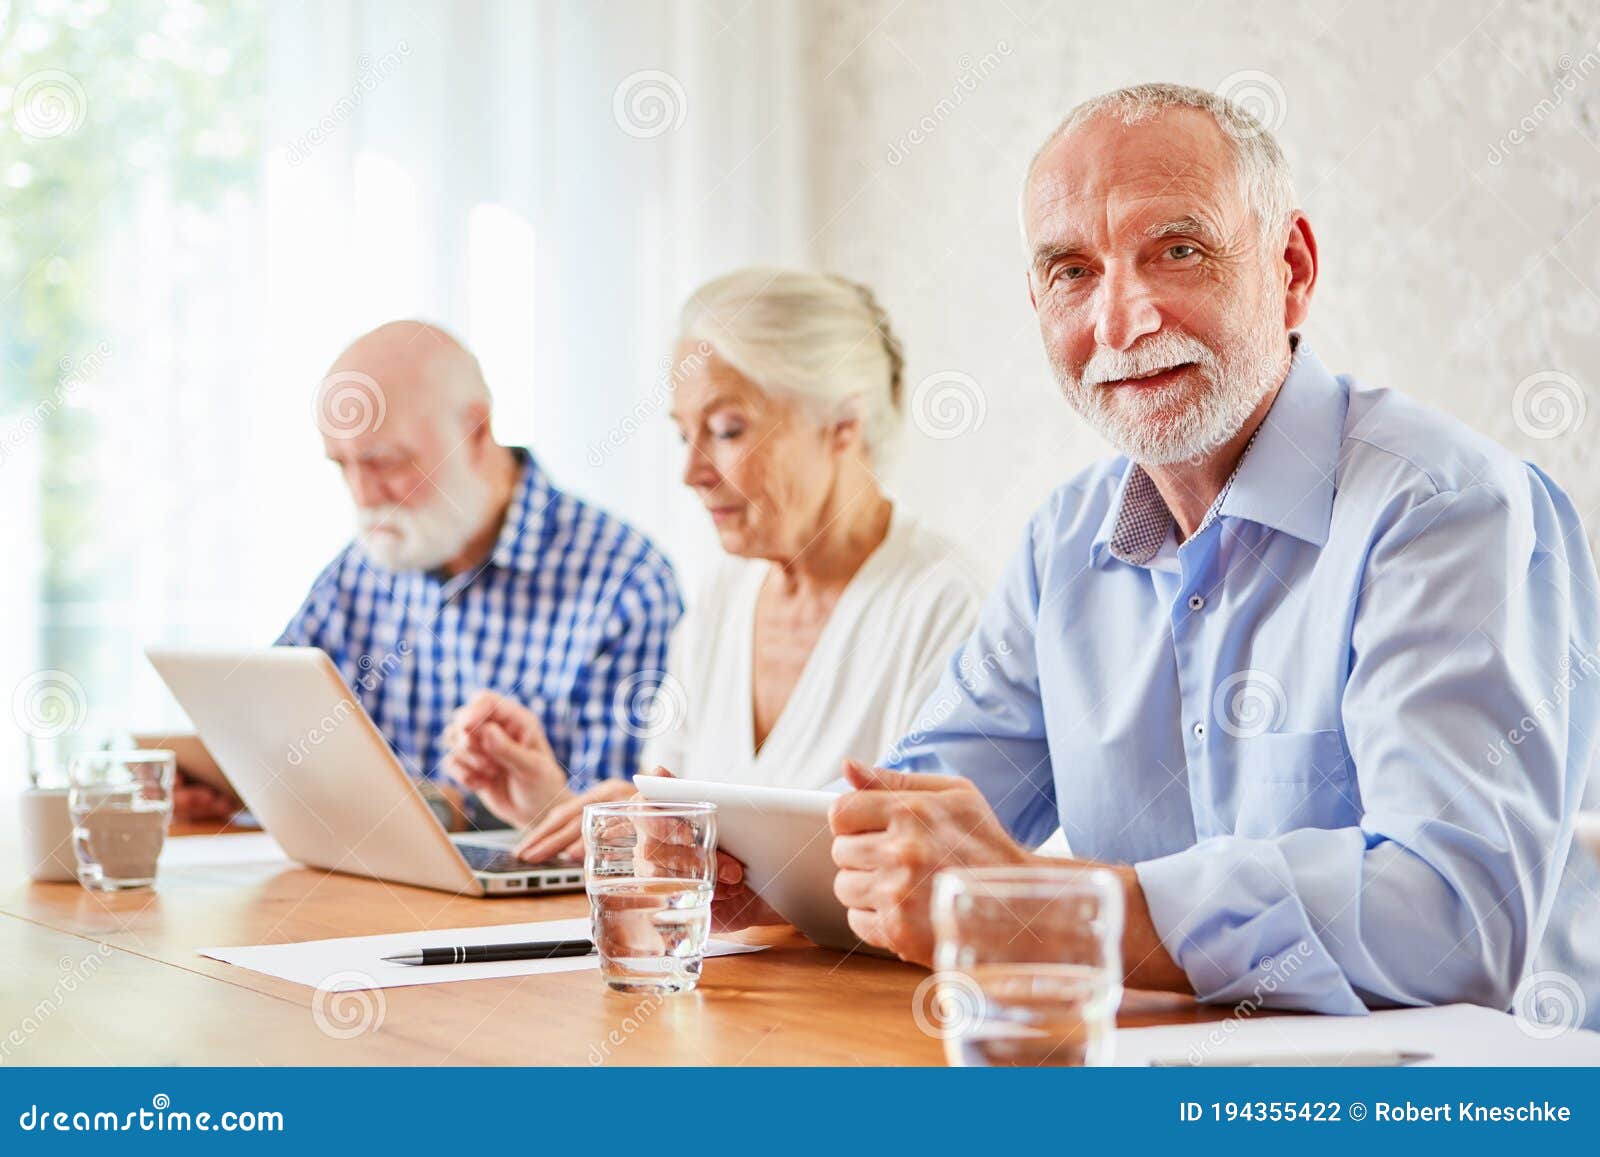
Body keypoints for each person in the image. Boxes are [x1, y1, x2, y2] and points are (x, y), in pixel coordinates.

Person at [760, 83, 1600, 1025]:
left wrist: (1048, 909)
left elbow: (1454, 923)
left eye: (1180, 251)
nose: (1123, 321)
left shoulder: (1448, 509)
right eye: (1074, 272)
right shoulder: (1063, 544)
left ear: (1291, 268)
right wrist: (734, 852)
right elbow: (913, 830)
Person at [443, 269, 982, 866]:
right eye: (683, 436)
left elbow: (922, 870)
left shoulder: (944, 604)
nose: (692, 472)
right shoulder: (724, 594)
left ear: (842, 425)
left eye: (727, 430)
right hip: (716, 961)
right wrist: (558, 809)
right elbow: (678, 851)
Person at [174, 320, 683, 826]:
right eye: (341, 466)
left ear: (476, 430)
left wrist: (462, 813)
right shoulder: (364, 567)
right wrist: (225, 788)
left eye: (385, 461)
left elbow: (618, 823)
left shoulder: (625, 582)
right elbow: (270, 727)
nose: (363, 495)